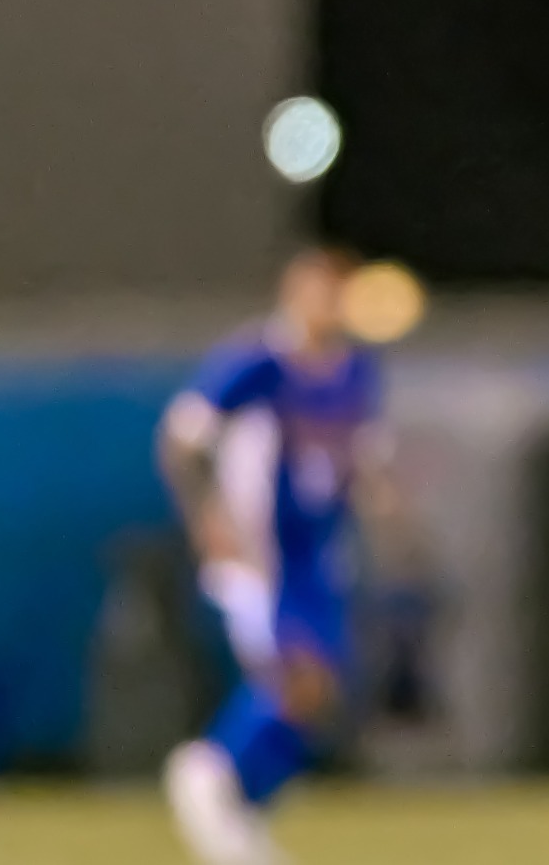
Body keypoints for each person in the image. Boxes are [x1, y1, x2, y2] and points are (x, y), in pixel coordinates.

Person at [158, 244, 405, 865]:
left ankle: (238, 804)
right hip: (261, 555)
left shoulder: (355, 372)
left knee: (320, 692)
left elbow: (361, 458)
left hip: (317, 557)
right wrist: (208, 518)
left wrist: (386, 511)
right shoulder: (257, 363)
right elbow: (181, 439)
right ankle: (212, 768)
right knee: (294, 675)